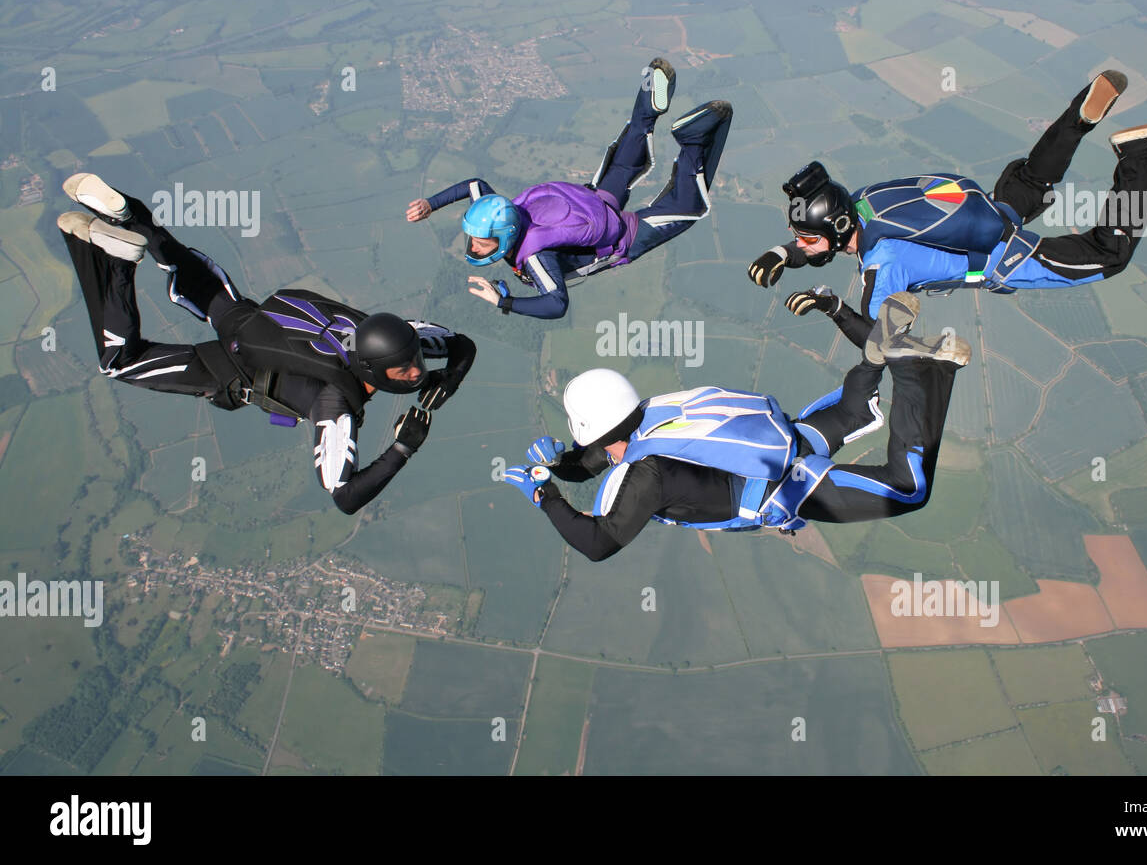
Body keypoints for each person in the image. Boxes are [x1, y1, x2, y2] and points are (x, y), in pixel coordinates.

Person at [57, 173, 476, 515]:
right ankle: (115, 264)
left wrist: (450, 378)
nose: (417, 371)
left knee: (185, 267)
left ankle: (126, 213)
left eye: (415, 361)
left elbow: (461, 344)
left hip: (250, 320)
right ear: (372, 371)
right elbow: (345, 497)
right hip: (230, 370)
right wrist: (403, 447)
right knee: (118, 361)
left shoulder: (390, 332)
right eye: (404, 370)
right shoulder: (335, 407)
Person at [499, 294, 970, 561]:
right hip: (790, 438)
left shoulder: (646, 474)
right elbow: (591, 462)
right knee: (851, 411)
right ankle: (878, 353)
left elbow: (599, 542)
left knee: (909, 488)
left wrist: (546, 499)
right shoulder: (649, 416)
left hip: (791, 489)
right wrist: (558, 465)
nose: (602, 454)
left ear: (601, 432)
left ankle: (916, 369)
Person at [747, 71, 1147, 320]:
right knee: (1030, 183)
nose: (801, 243)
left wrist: (832, 307)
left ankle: (1140, 157)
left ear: (838, 227)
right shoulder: (864, 201)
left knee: (1110, 255)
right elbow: (825, 237)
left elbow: (875, 342)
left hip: (1003, 257)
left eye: (805, 238)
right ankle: (1079, 116)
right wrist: (782, 253)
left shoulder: (881, 266)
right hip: (986, 207)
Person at [406, 58, 732, 319]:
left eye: (480, 243)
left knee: (688, 208)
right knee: (622, 165)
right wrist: (430, 205)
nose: (474, 247)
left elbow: (556, 304)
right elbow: (474, 186)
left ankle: (693, 141)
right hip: (592, 201)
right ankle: (649, 98)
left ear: (504, 237)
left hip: (624, 238)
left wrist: (504, 303)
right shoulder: (500, 211)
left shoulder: (536, 257)